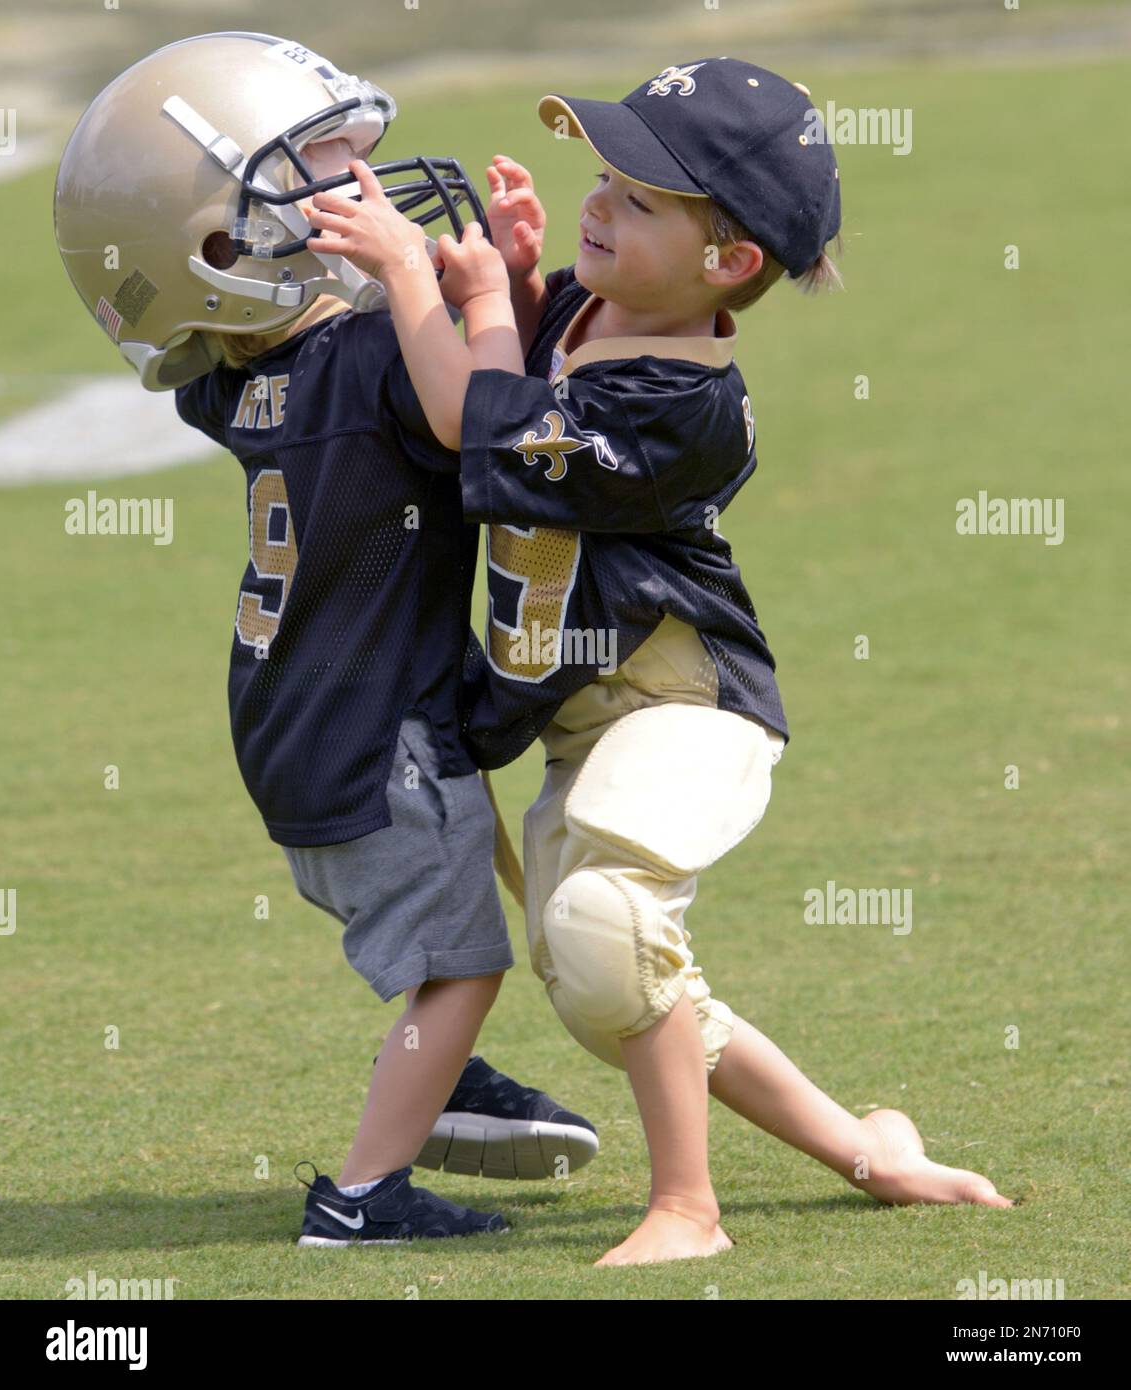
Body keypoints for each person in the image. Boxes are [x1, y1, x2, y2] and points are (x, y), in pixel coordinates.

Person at [305, 55, 1013, 1267]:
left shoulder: (677, 406)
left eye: (637, 200)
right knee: (616, 975)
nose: (597, 204)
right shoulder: (608, 309)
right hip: (585, 712)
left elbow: (468, 414)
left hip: (683, 704)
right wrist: (520, 280)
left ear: (727, 262)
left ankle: (689, 1208)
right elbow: (514, 384)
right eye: (604, 175)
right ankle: (864, 1147)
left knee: (601, 928)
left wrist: (427, 280)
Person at [53, 31, 597, 1250]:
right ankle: (360, 1196)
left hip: (295, 720)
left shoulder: (238, 381)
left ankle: (437, 1081)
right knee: (464, 964)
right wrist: (460, 291)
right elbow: (484, 427)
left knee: (435, 943)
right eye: (323, 180)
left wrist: (486, 289)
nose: (368, 198)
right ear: (215, 250)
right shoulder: (365, 365)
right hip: (378, 738)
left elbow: (400, 382)